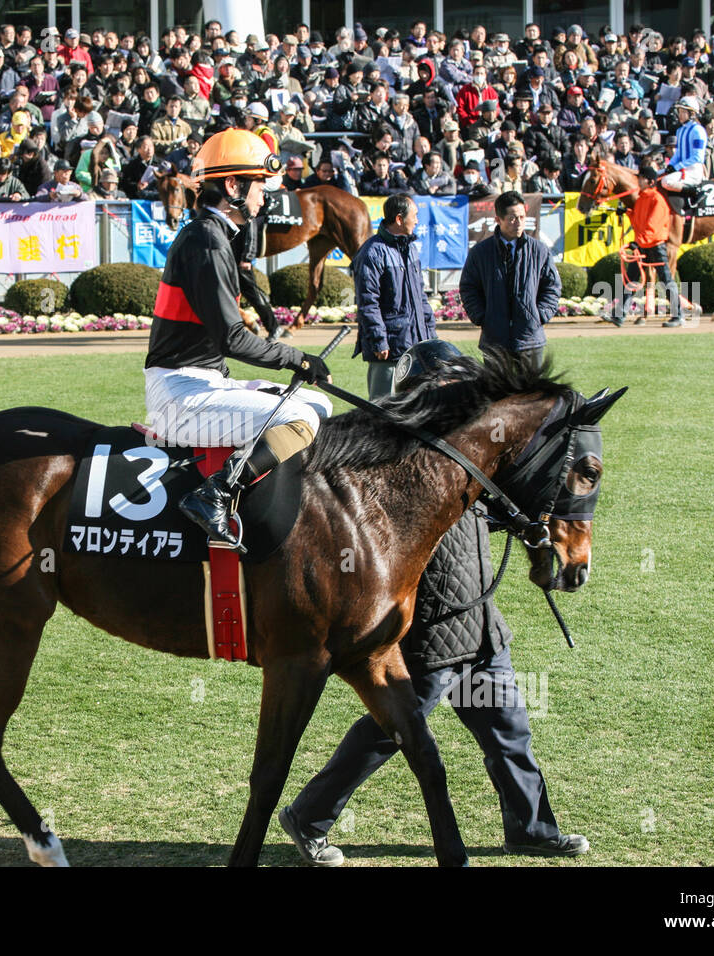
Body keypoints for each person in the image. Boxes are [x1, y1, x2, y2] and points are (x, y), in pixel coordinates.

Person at [278, 339, 590, 866]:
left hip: (482, 629)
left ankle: (531, 828)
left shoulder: (469, 450)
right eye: (444, 384)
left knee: (510, 734)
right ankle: (307, 816)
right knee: (387, 735)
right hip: (430, 635)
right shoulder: (401, 458)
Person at [144, 128, 332, 549]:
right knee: (302, 419)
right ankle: (216, 493)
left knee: (320, 403)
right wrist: (295, 357)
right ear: (232, 185)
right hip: (182, 395)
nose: (264, 197)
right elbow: (231, 338)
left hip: (201, 383)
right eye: (259, 186)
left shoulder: (214, 236)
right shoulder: (206, 239)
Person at [459, 190, 559, 370]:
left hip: (530, 339)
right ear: (498, 219)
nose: (519, 222)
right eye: (513, 218)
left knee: (531, 396)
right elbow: (469, 288)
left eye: (522, 217)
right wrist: (482, 317)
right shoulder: (481, 252)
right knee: (497, 396)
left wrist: (539, 315)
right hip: (495, 340)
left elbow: (551, 286)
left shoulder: (539, 250)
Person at [352, 193, 435, 398]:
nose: (417, 220)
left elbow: (420, 297)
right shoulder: (372, 252)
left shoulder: (411, 249)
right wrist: (379, 340)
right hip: (389, 348)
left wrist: (430, 334)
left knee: (415, 408)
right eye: (414, 215)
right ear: (399, 219)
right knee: (382, 409)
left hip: (417, 346)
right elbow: (368, 302)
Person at [613, 165, 683, 328]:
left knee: (665, 279)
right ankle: (619, 314)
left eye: (642, 178)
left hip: (655, 246)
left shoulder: (657, 200)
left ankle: (678, 315)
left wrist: (638, 242)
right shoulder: (642, 199)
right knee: (630, 278)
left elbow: (652, 226)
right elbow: (639, 221)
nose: (639, 180)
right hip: (643, 245)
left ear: (650, 181)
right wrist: (627, 213)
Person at [659, 95, 707, 206]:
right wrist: (670, 165)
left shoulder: (698, 131)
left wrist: (677, 167)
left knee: (666, 182)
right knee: (655, 175)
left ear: (692, 114)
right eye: (679, 111)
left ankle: (696, 191)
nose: (679, 115)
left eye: (683, 112)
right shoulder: (680, 130)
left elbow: (697, 157)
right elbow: (679, 153)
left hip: (693, 171)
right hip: (682, 168)